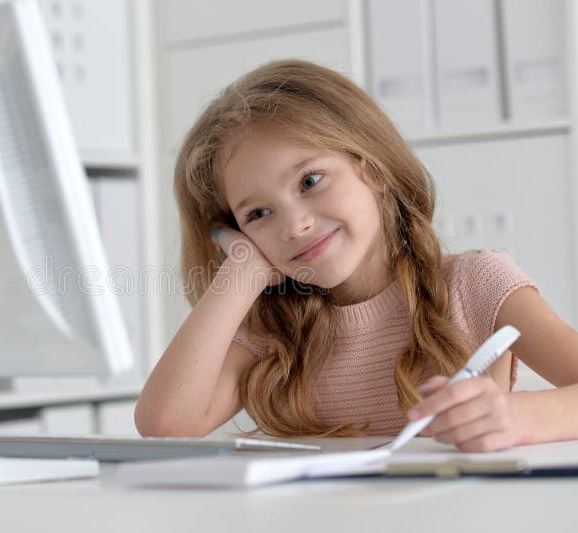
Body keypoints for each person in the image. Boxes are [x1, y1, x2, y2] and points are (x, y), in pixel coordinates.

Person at [134, 59, 578, 452]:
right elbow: (166, 426)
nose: (294, 226)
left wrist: (517, 418)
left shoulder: (475, 283)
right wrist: (243, 273)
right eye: (258, 213)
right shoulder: (272, 327)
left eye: (310, 181)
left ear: (372, 168)